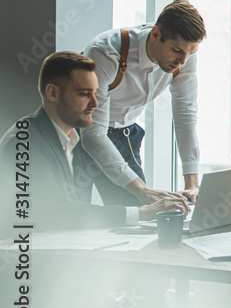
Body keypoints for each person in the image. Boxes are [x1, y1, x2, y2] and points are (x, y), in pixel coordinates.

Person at [0, 52, 188, 235]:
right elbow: (56, 212)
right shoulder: (24, 143)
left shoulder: (73, 142)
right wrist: (142, 213)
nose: (95, 103)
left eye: (95, 93)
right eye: (84, 94)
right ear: (52, 93)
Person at [81, 0, 206, 206]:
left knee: (142, 216)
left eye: (190, 53)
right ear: (156, 35)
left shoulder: (184, 57)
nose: (182, 61)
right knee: (73, 221)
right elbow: (93, 133)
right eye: (176, 50)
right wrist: (142, 189)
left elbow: (185, 114)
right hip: (80, 135)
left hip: (124, 135)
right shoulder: (105, 54)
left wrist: (192, 183)